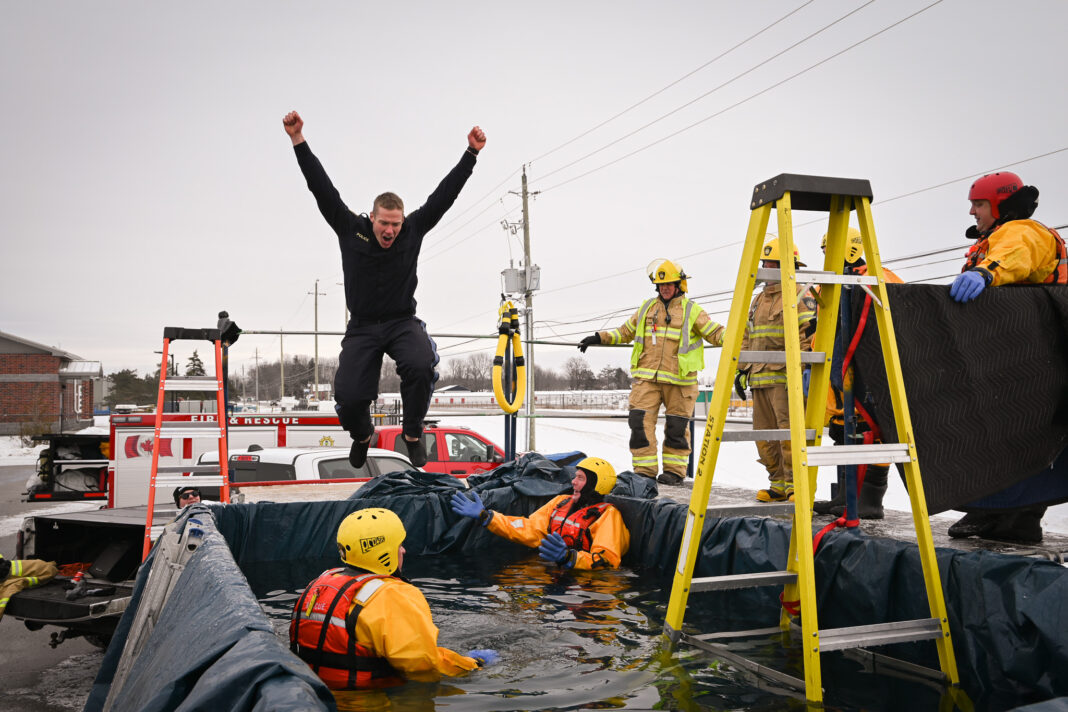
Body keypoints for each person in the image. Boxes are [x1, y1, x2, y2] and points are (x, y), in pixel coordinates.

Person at [283, 111, 487, 470]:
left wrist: (470, 155)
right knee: (348, 396)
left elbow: (444, 196)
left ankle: (411, 433)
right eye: (384, 224)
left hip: (400, 321)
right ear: (372, 218)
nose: (390, 231)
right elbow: (321, 188)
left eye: (396, 224)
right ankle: (363, 435)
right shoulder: (350, 228)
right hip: (362, 326)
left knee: (421, 365)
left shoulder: (414, 229)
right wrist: (298, 140)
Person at [945, 172, 1067, 543]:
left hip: (1040, 352)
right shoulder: (994, 238)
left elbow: (1013, 257)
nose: (972, 211)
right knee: (1002, 432)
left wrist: (985, 273)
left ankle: (1014, 516)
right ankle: (999, 513)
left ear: (999, 205)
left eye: (978, 204)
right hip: (1015, 352)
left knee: (1024, 435)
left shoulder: (1025, 233)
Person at [290, 508, 497, 690]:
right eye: (398, 544)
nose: (403, 550)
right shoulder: (391, 595)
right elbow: (423, 665)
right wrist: (473, 663)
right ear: (383, 550)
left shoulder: (320, 583)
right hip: (371, 701)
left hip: (316, 696)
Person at [576, 260, 724, 486]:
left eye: (669, 284)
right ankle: (644, 472)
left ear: (679, 285)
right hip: (647, 380)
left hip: (680, 382)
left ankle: (674, 472)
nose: (664, 288)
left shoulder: (692, 311)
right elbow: (624, 332)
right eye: (660, 284)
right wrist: (599, 337)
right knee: (638, 423)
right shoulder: (646, 308)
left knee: (676, 428)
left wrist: (740, 337)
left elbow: (715, 333)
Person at [812, 228, 903, 519]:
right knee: (845, 432)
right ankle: (845, 495)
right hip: (843, 375)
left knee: (873, 433)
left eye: (830, 250)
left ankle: (871, 501)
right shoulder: (830, 285)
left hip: (870, 374)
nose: (826, 257)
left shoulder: (878, 276)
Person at [738, 238, 817, 502]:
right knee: (764, 437)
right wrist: (741, 370)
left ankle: (796, 485)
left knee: (789, 435)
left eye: (771, 263)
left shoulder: (800, 294)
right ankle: (778, 484)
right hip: (758, 378)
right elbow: (746, 337)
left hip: (786, 378)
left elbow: (809, 335)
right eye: (765, 263)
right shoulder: (758, 300)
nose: (766, 268)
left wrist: (805, 370)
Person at [450, 457, 630, 569]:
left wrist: (569, 558)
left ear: (597, 485)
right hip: (552, 573)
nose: (573, 482)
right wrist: (487, 517)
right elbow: (529, 528)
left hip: (585, 587)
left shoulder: (608, 515)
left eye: (580, 478)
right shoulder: (561, 502)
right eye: (575, 477)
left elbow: (607, 561)